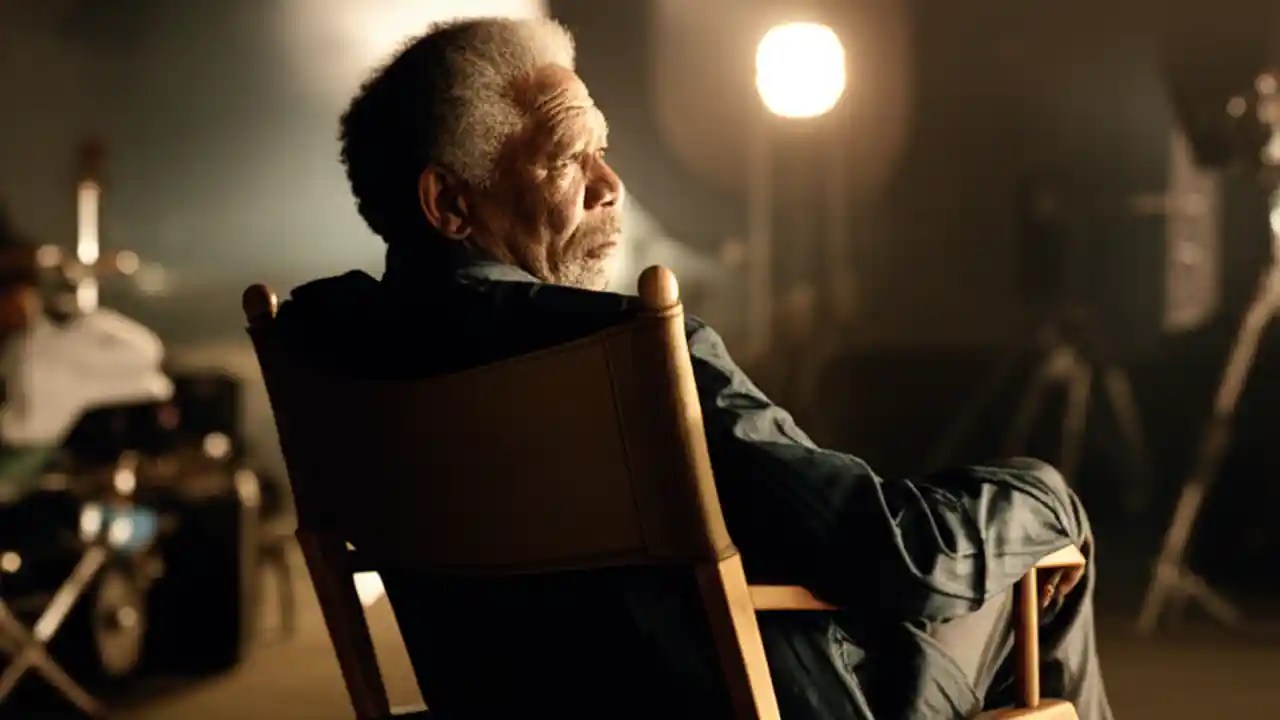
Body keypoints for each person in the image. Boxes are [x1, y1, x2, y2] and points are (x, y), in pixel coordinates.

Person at [276, 18, 1112, 719]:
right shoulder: (622, 351)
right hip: (748, 700)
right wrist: (1049, 493)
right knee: (1034, 556)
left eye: (604, 153)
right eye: (569, 158)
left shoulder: (326, 350)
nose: (611, 184)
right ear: (449, 204)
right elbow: (899, 557)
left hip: (508, 699)